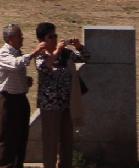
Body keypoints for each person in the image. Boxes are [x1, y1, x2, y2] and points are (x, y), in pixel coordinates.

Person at [32, 22, 89, 168]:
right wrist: (56, 51)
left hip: (66, 104)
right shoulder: (40, 55)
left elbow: (86, 57)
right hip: (49, 106)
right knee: (50, 141)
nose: (54, 39)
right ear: (42, 40)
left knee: (66, 140)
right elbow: (43, 68)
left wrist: (78, 46)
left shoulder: (66, 53)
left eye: (55, 36)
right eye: (50, 37)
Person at [0, 23, 33, 168]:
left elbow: (14, 72)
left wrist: (25, 81)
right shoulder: (3, 54)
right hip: (7, 101)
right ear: (10, 38)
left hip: (21, 99)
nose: (22, 38)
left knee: (21, 138)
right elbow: (15, 64)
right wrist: (34, 53)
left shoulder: (17, 52)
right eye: (19, 36)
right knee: (7, 138)